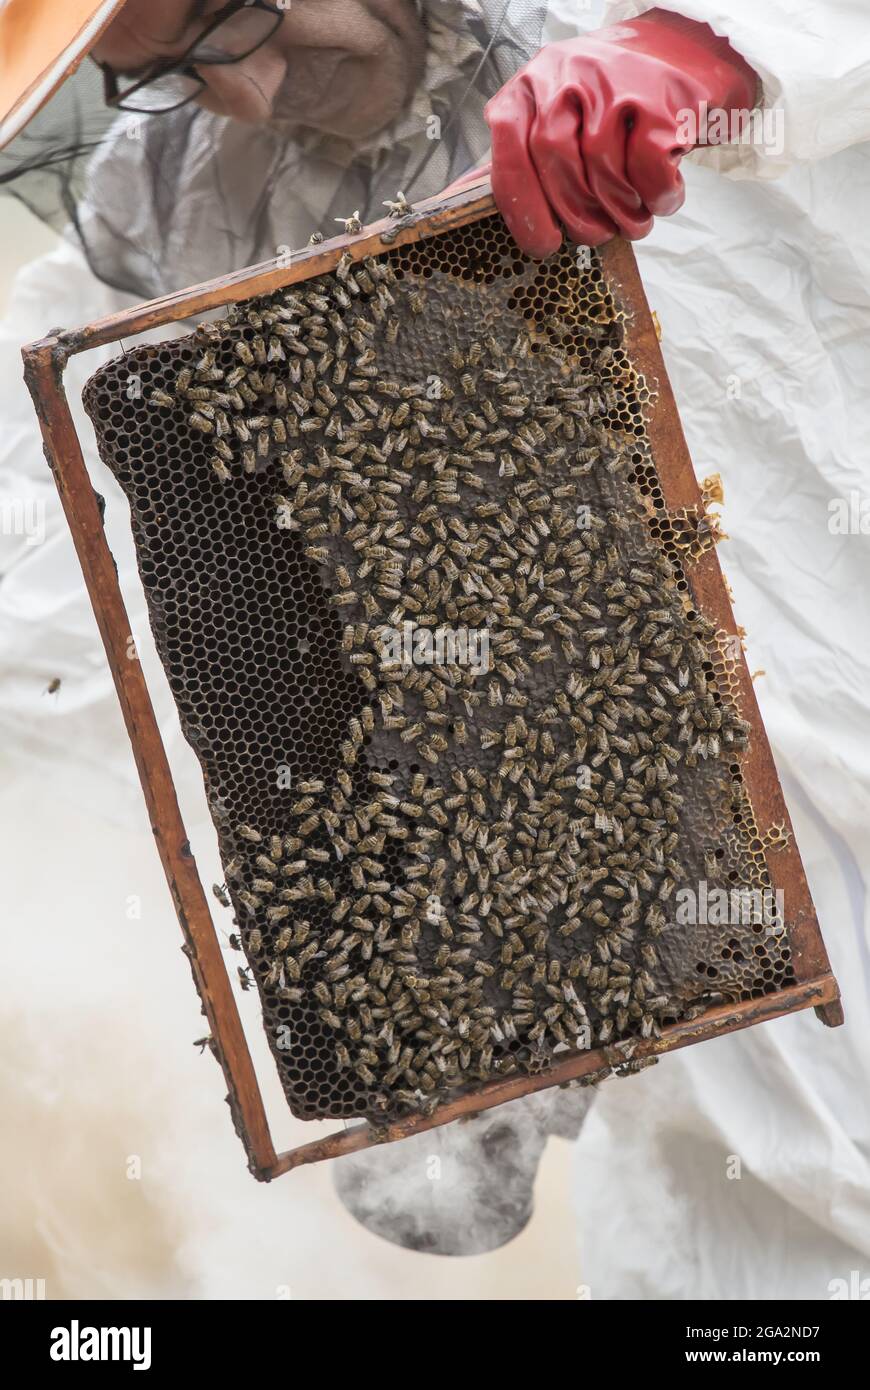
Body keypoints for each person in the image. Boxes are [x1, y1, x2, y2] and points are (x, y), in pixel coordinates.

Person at [1, 0, 869, 1294]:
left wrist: (703, 50)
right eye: (168, 73)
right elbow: (43, 587)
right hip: (699, 975)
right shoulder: (184, 190)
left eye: (223, 9)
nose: (244, 90)